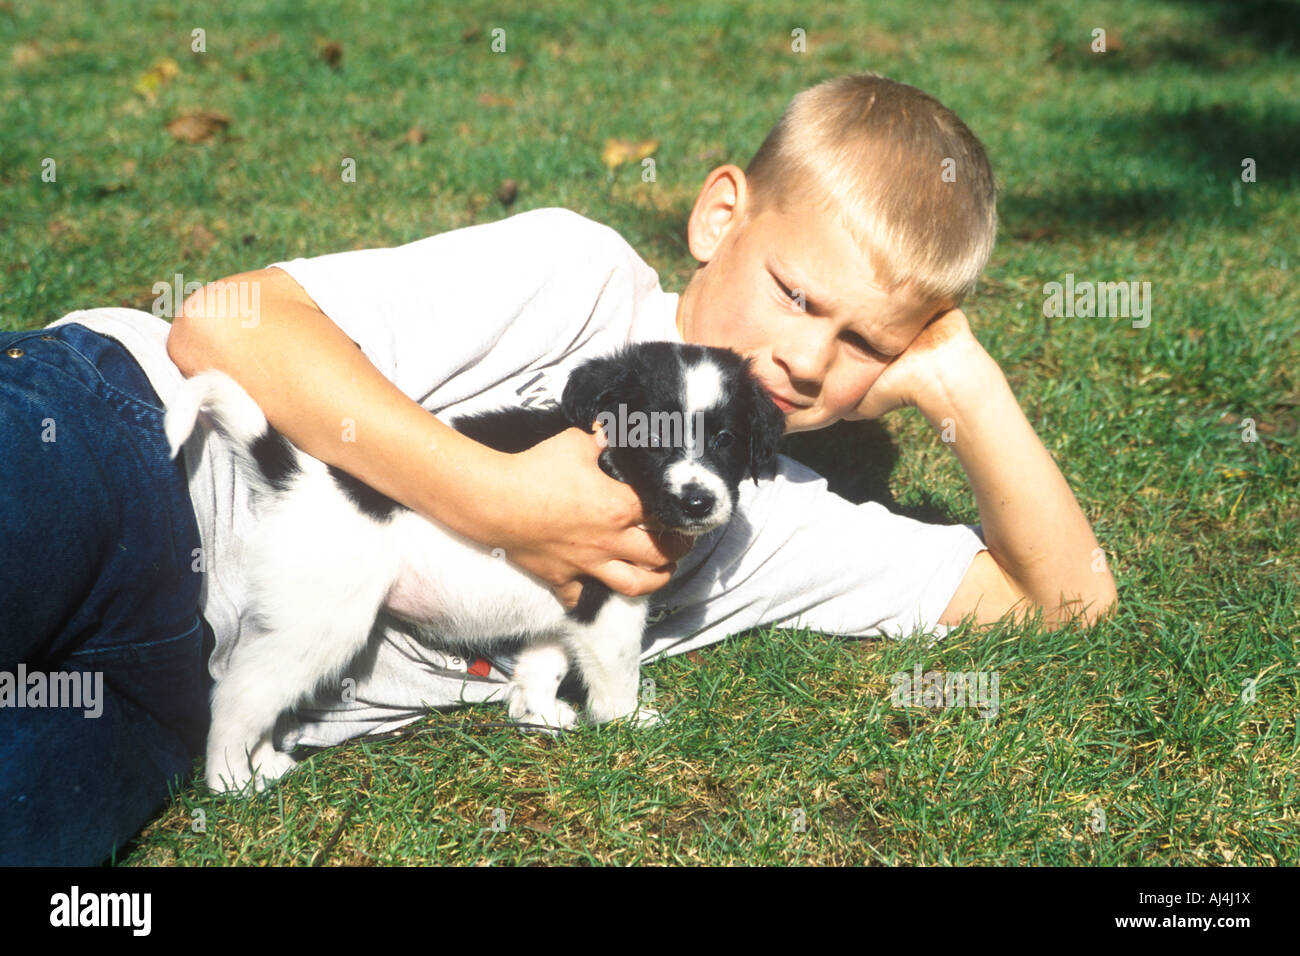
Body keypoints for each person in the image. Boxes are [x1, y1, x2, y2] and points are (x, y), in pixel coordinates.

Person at [0, 72, 1116, 865]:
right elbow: (225, 326)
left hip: (176, 697)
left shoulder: (772, 521)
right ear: (719, 216)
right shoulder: (577, 281)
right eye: (797, 293)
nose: (810, 357)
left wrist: (969, 383)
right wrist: (498, 499)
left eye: (869, 343)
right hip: (135, 446)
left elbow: (1061, 602)